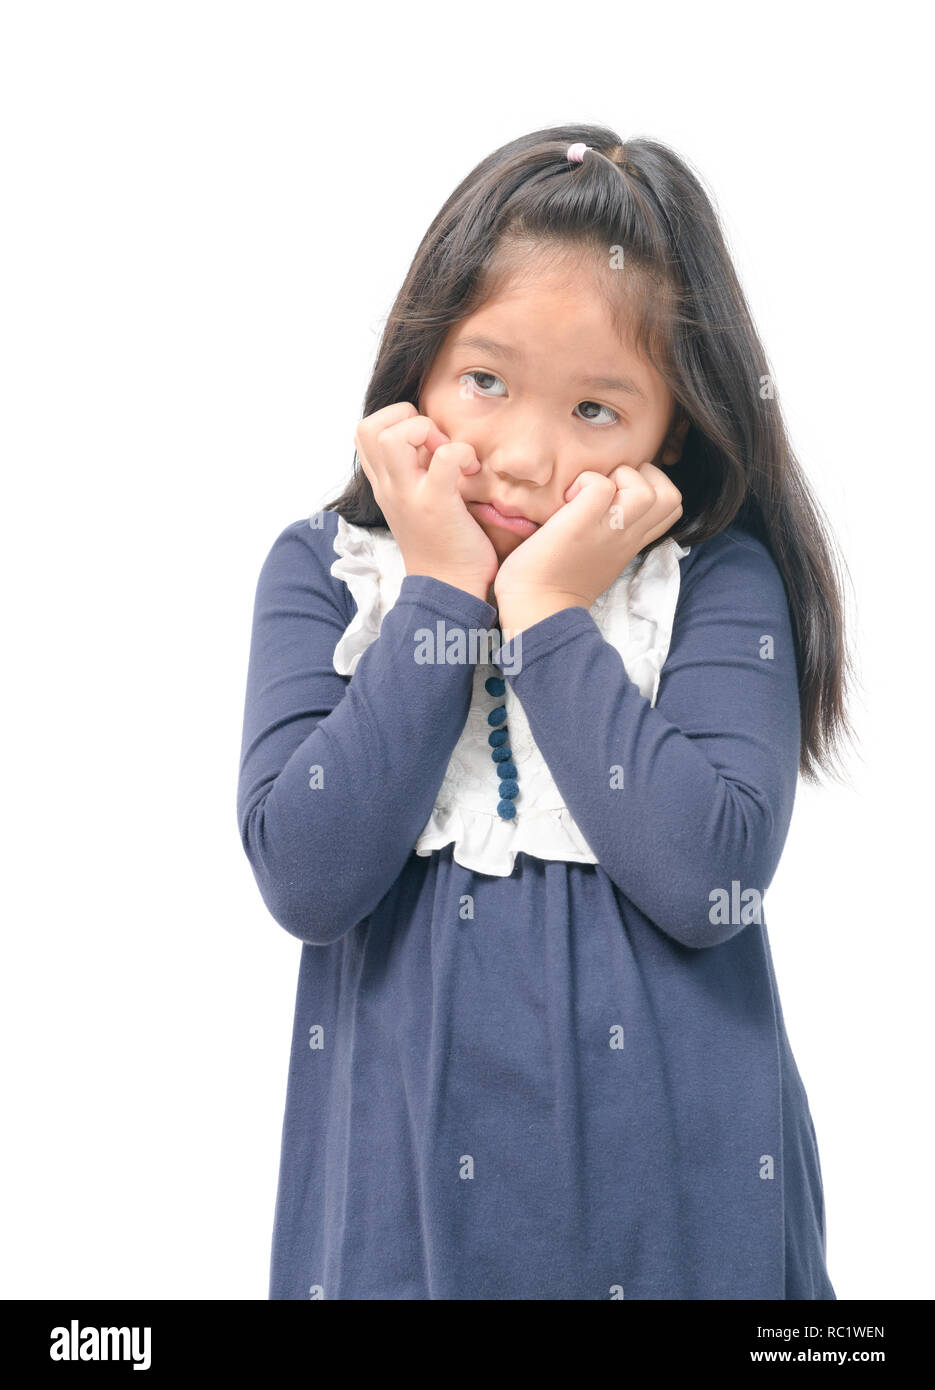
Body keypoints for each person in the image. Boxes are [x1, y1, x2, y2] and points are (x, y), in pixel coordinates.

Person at [236, 125, 854, 1299]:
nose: (522, 455)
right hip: (399, 1215)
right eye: (485, 381)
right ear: (414, 373)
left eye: (594, 411)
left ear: (670, 427)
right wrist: (440, 595)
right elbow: (308, 877)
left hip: (682, 1215)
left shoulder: (715, 584)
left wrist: (547, 612)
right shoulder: (327, 574)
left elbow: (703, 874)